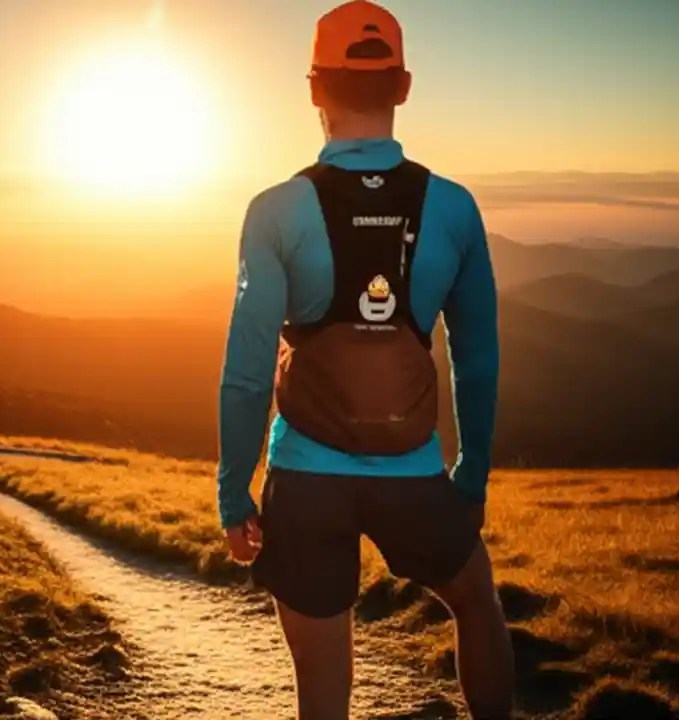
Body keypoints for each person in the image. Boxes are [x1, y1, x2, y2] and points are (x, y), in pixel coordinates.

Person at [216, 2, 513, 718]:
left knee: (322, 685)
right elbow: (478, 359)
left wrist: (235, 492)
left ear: (315, 89)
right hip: (415, 470)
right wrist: (470, 473)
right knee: (476, 602)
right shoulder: (454, 208)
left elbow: (248, 369)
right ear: (403, 86)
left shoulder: (276, 211)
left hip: (307, 476)